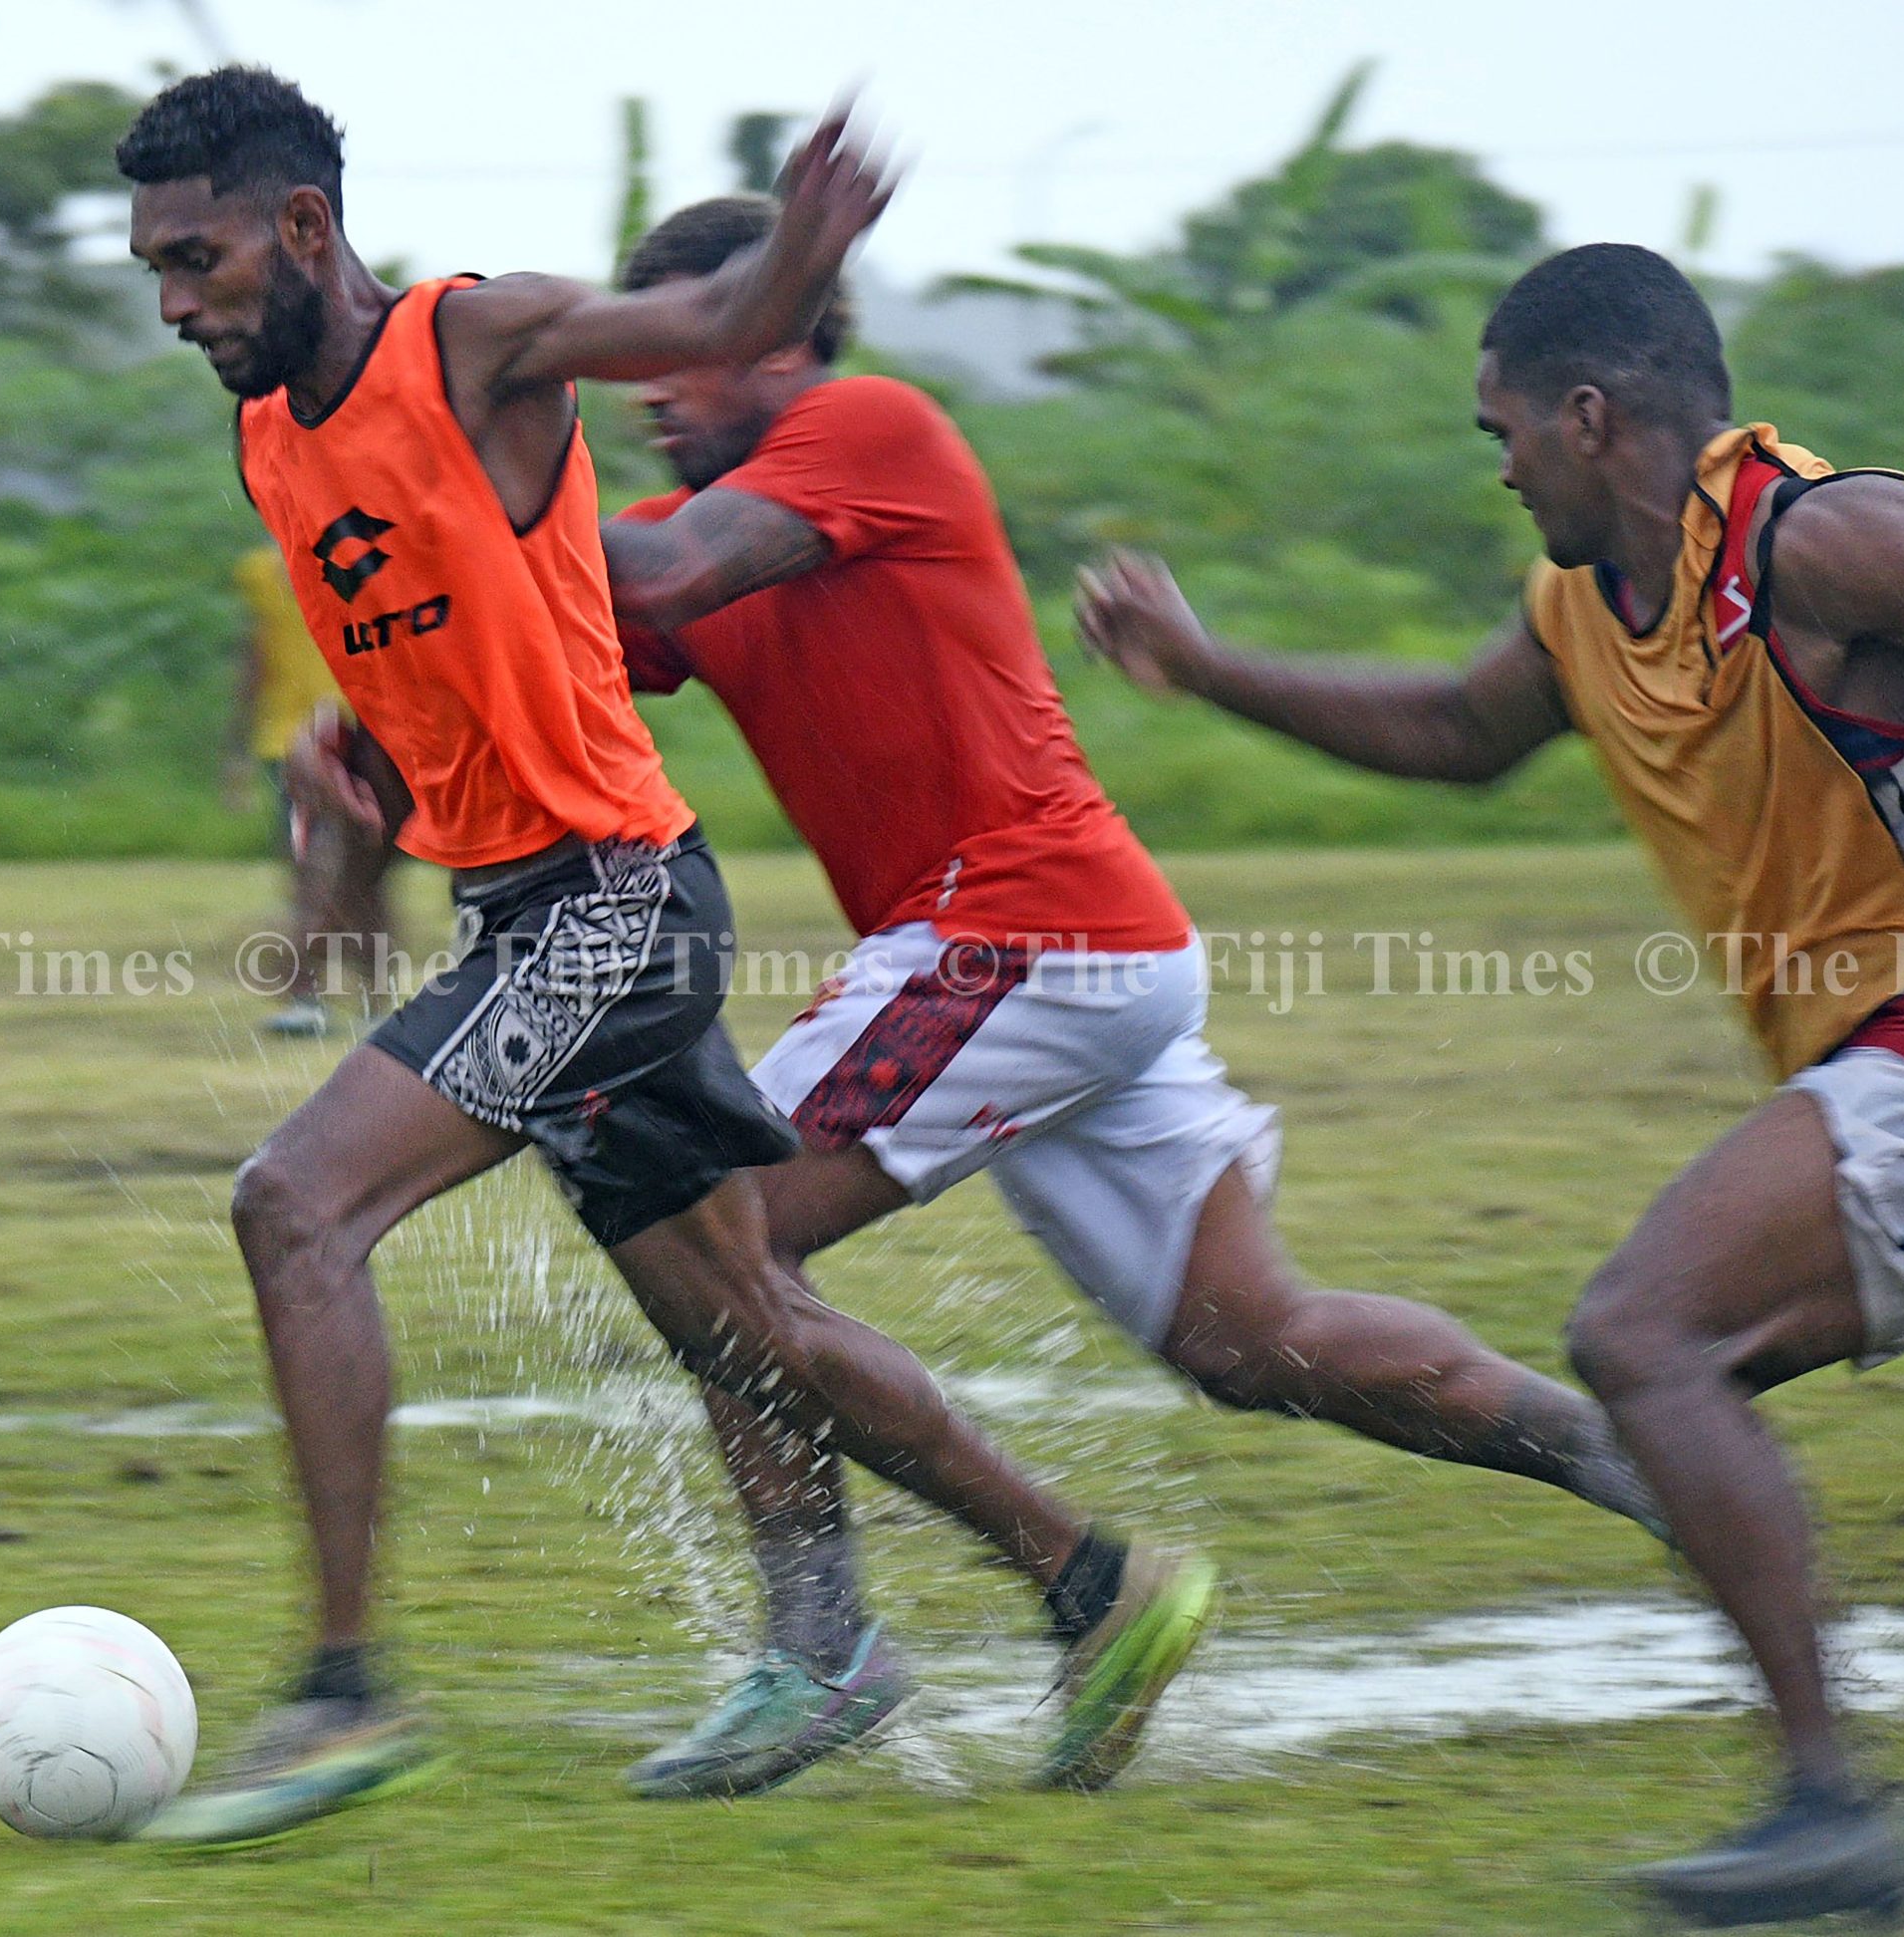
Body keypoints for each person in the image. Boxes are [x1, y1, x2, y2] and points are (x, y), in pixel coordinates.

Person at [114, 70, 1214, 1847]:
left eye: (199, 257)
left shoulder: (474, 344)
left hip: (611, 906)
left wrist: (799, 241)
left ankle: (340, 1690)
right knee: (744, 1310)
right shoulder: (268, 441)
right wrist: (367, 772)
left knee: (294, 1202)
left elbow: (712, 318)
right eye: (155, 268)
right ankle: (1090, 1575)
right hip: (536, 910)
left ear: (300, 228)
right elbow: (440, 671)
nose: (176, 301)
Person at [597, 195, 1664, 1801]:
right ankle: (1656, 1467)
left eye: (685, 344)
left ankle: (899, 1631)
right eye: (634, 356)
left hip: (1011, 934)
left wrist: (477, 454)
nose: (649, 384)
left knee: (713, 1236)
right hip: (1085, 949)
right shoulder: (711, 521)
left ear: (795, 329)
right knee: (1259, 1339)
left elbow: (649, 575)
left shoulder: (860, 428)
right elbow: (567, 656)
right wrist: (383, 732)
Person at [1077, 241, 1904, 1927]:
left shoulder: (1818, 539)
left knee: (1647, 1329)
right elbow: (1462, 732)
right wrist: (1207, 661)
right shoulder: (1583, 605)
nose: (1500, 461)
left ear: (1588, 415)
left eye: (1503, 429)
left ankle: (1827, 1802)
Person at [224, 545, 394, 1036]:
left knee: (352, 876)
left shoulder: (361, 563)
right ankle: (328, 998)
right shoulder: (265, 574)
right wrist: (237, 747)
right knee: (315, 874)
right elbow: (256, 663)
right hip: (291, 741)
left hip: (354, 737)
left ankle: (358, 1000)